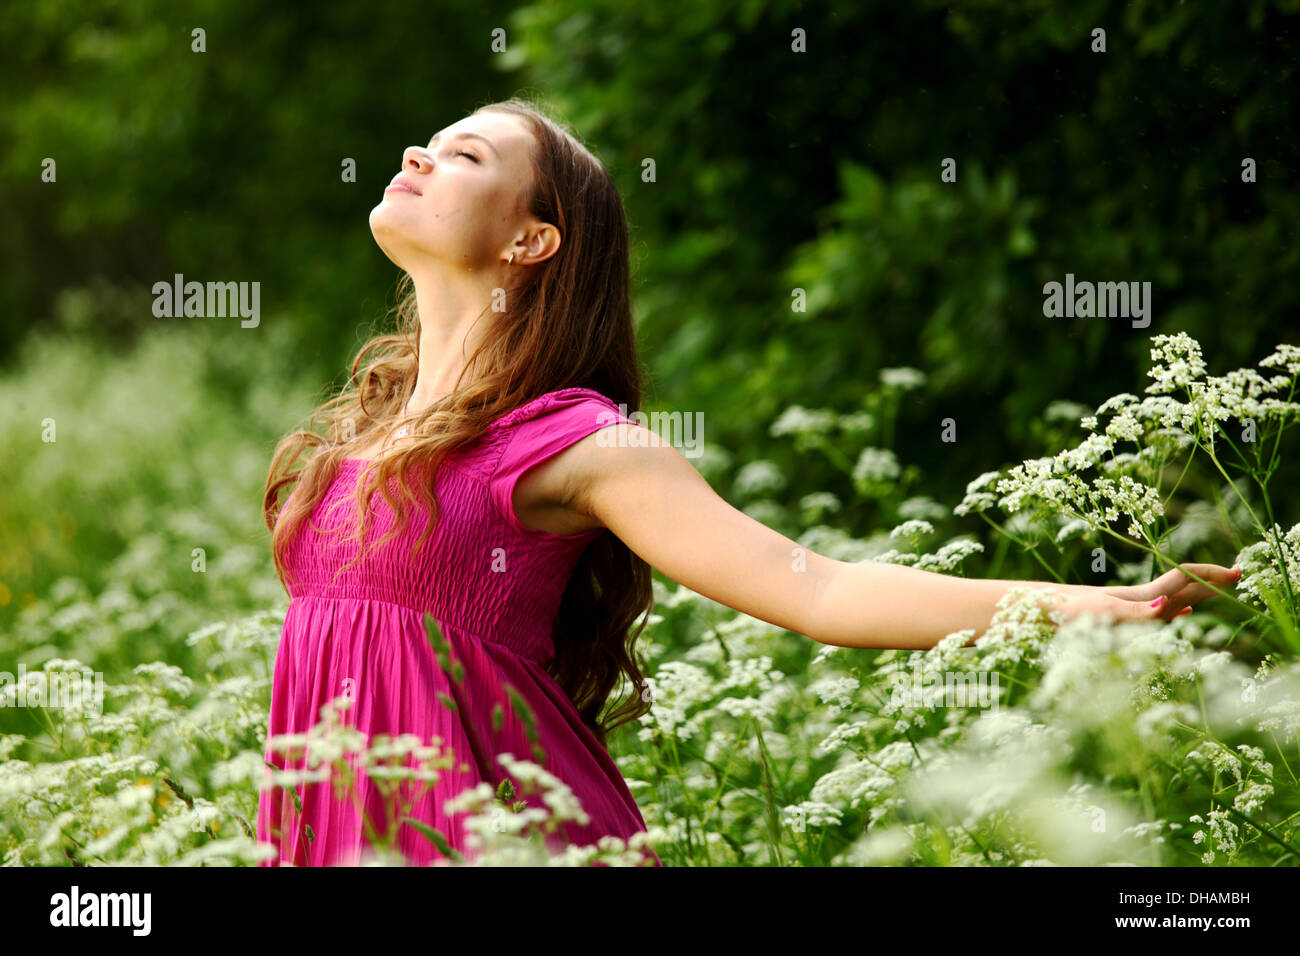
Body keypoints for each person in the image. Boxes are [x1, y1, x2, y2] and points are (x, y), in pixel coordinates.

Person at [255, 96, 1240, 867]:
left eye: (465, 155)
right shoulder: (358, 431)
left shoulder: (573, 442)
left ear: (531, 240)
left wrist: (1101, 604)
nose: (418, 157)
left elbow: (820, 586)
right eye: (428, 143)